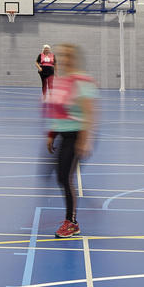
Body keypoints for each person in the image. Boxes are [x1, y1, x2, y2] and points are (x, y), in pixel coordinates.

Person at [44, 43, 97, 238]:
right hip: (64, 133)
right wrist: (52, 133)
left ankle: (72, 222)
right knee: (60, 177)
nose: (64, 59)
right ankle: (70, 218)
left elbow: (89, 111)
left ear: (74, 58)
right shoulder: (63, 81)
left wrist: (85, 140)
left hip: (77, 134)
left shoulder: (82, 81)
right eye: (62, 56)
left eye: (68, 56)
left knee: (66, 178)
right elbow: (59, 111)